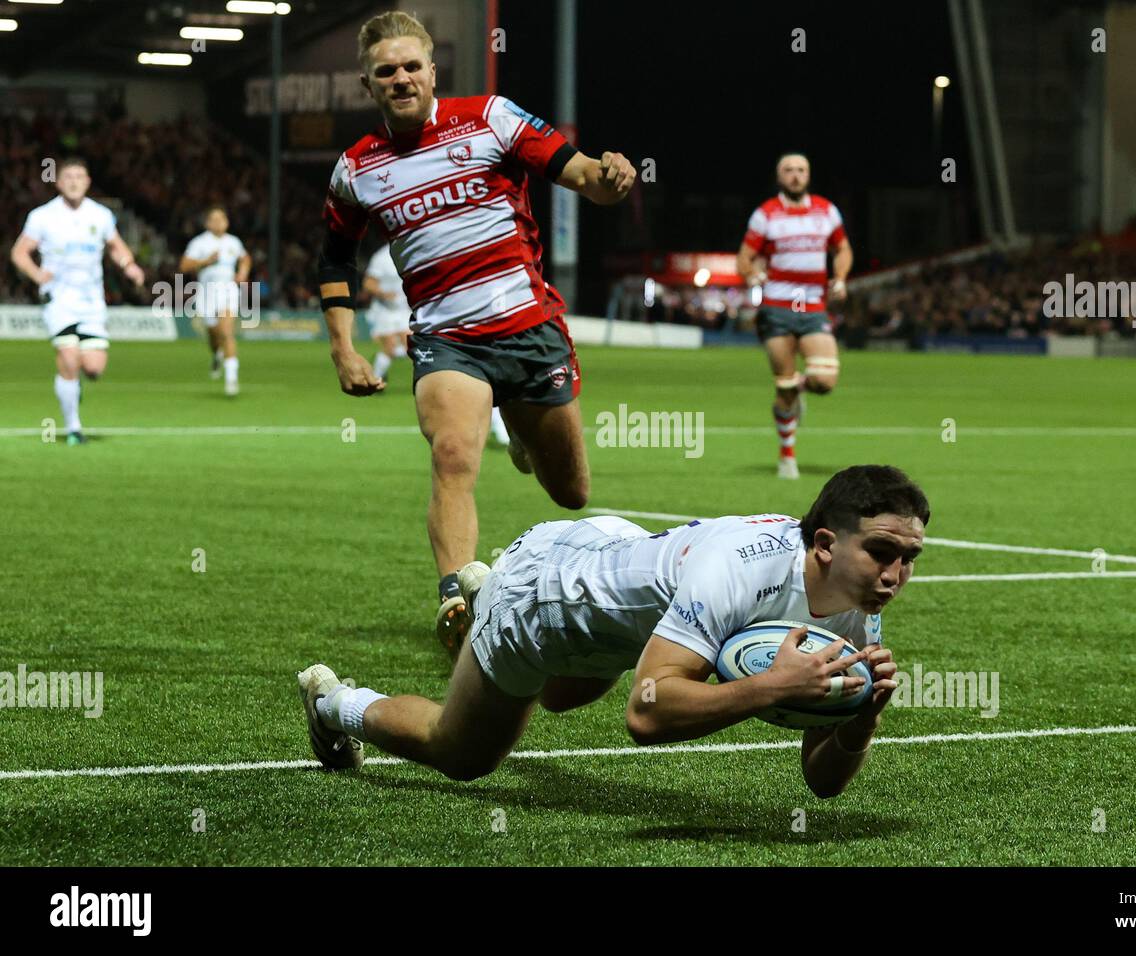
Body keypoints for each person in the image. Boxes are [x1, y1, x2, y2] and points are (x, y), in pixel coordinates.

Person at [298, 465, 926, 798]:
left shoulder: (857, 600)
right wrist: (770, 687)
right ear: (824, 544)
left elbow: (819, 783)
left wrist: (859, 720)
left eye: (910, 559)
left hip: (616, 562)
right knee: (461, 753)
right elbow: (647, 715)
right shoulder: (740, 568)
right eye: (881, 552)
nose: (896, 575)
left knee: (565, 696)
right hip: (544, 599)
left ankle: (477, 614)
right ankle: (331, 704)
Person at [316, 11, 636, 655]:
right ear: (367, 84)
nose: (401, 79)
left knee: (571, 492)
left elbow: (581, 176)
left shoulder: (491, 117)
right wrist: (343, 348)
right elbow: (333, 262)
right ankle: (459, 599)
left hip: (529, 328)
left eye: (411, 67)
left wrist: (612, 175)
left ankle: (521, 435)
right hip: (446, 340)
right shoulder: (356, 170)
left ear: (433, 71)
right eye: (386, 72)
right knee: (453, 454)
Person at [9, 158, 145, 444]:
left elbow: (116, 246)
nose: (73, 181)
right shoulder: (42, 216)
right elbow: (19, 252)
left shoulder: (101, 215)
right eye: (68, 176)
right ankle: (73, 428)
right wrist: (37, 274)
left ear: (88, 181)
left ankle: (75, 385)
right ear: (58, 182)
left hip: (91, 300)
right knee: (69, 358)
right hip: (59, 299)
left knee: (94, 368)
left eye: (79, 176)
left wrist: (128, 265)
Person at [737, 153, 853, 478]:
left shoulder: (826, 211)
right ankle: (787, 455)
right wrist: (751, 275)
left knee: (824, 380)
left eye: (801, 169)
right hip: (777, 308)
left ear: (809, 175)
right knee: (783, 384)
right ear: (779, 177)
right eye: (789, 170)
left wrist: (840, 278)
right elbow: (745, 257)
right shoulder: (766, 215)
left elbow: (842, 249)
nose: (795, 175)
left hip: (813, 306)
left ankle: (800, 389)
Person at [180, 206, 251, 396]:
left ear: (227, 222)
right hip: (207, 292)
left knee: (226, 332)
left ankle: (231, 379)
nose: (219, 222)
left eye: (222, 218)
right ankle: (217, 354)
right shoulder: (200, 243)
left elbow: (245, 258)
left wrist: (243, 272)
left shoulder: (233, 242)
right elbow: (184, 265)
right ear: (207, 223)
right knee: (214, 334)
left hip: (228, 289)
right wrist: (205, 262)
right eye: (214, 219)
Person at [361, 242, 410, 385]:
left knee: (411, 348)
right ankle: (375, 380)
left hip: (404, 309)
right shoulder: (381, 257)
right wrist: (383, 294)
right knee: (390, 348)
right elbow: (368, 283)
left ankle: (377, 366)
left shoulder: (410, 251)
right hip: (385, 310)